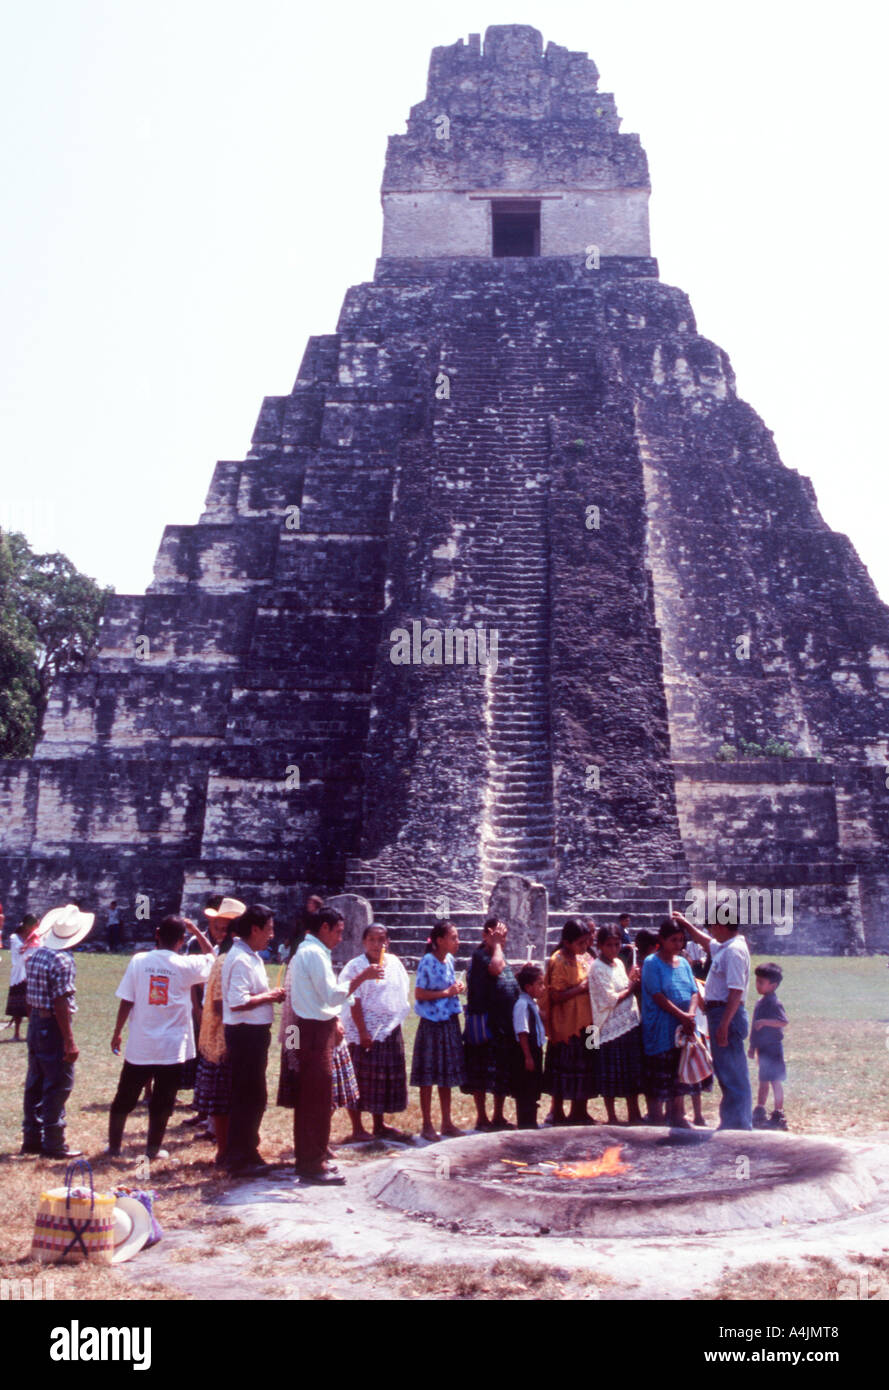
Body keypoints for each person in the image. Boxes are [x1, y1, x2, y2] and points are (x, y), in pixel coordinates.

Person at [107, 914, 215, 1159]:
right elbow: (214, 958)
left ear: (156, 933)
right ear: (181, 940)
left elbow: (127, 999)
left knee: (124, 1098)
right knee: (163, 1102)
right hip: (171, 1048)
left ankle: (114, 1146)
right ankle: (153, 1149)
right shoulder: (186, 965)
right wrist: (197, 930)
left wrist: (116, 1032)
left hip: (141, 1044)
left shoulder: (139, 961)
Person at [289, 907, 383, 1183]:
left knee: (315, 1098)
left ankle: (312, 1157)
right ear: (325, 928)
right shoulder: (313, 954)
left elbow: (329, 996)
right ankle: (311, 1163)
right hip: (314, 1031)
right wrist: (361, 978)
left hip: (318, 1028)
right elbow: (331, 996)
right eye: (338, 932)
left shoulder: (312, 952)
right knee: (316, 1100)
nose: (341, 938)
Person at [22, 904, 94, 1157]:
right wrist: (69, 1041)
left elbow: (31, 996)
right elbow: (61, 1002)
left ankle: (31, 1136)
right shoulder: (63, 960)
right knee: (59, 1083)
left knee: (36, 1081)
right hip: (52, 1026)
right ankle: (53, 1141)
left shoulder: (36, 954)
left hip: (36, 1024)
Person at [673, 907, 752, 1131]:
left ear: (720, 926)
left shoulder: (734, 951)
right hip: (720, 1013)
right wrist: (687, 925)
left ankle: (738, 1124)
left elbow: (735, 992)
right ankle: (734, 1121)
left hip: (727, 1013)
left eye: (712, 926)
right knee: (727, 1070)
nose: (710, 931)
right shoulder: (726, 947)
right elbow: (709, 943)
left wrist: (724, 1024)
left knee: (732, 1072)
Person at [221, 904, 286, 1176]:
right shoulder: (240, 958)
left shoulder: (251, 956)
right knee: (250, 1096)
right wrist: (270, 997)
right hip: (245, 1034)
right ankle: (240, 1155)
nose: (271, 935)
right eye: (268, 929)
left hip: (253, 1033)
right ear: (255, 929)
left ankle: (245, 1150)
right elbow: (237, 1001)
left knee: (251, 1096)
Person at [338, 924, 411, 1142]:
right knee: (360, 1078)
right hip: (362, 1030)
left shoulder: (394, 964)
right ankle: (357, 1128)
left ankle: (379, 1124)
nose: (376, 945)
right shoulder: (355, 967)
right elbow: (353, 1000)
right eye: (371, 940)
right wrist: (362, 1032)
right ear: (363, 942)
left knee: (383, 1078)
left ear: (387, 942)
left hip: (388, 1029)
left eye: (381, 940)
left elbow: (400, 991)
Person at [640, 919, 701, 1128]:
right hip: (660, 1028)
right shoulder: (651, 962)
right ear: (661, 940)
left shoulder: (683, 962)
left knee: (679, 1071)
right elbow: (657, 995)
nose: (678, 945)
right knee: (659, 1073)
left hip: (682, 1028)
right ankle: (656, 1117)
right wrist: (681, 1015)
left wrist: (690, 1015)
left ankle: (677, 1115)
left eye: (681, 940)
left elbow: (694, 990)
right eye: (673, 940)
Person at [410, 921, 467, 1141]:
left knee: (445, 1074)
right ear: (439, 940)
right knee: (428, 1075)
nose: (457, 942)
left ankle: (447, 1122)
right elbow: (419, 993)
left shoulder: (450, 960)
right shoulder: (427, 961)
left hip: (449, 1021)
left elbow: (449, 987)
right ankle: (426, 1125)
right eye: (453, 937)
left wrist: (456, 990)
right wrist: (447, 992)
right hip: (432, 1024)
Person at [462, 918, 520, 1131]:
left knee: (501, 1071)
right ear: (485, 935)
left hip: (503, 1022)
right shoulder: (480, 956)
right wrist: (496, 945)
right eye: (497, 935)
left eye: (504, 936)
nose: (501, 940)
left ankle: (498, 1115)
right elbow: (495, 969)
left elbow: (505, 975)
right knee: (481, 1071)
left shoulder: (500, 954)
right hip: (486, 1023)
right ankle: (482, 1117)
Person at [543, 919, 597, 1125]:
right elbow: (556, 995)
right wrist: (581, 988)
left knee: (586, 1065)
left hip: (589, 1022)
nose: (585, 947)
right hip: (566, 1024)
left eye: (586, 942)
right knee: (563, 1065)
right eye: (580, 943)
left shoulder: (586, 957)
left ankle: (580, 1110)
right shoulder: (558, 960)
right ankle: (556, 1111)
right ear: (567, 942)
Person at [589, 926, 644, 1125]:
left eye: (617, 944)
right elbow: (609, 999)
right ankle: (611, 1116)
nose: (613, 949)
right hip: (607, 1027)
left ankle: (634, 1112)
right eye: (609, 945)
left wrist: (631, 980)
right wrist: (632, 987)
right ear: (600, 946)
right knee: (611, 1074)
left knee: (631, 1072)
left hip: (628, 1023)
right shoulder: (596, 967)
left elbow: (624, 986)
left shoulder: (619, 963)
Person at [749, 962, 788, 1130]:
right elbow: (754, 1026)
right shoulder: (761, 1001)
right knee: (763, 1080)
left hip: (773, 1048)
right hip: (762, 1048)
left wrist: (765, 1022)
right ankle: (760, 1110)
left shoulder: (774, 1002)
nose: (758, 985)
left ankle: (779, 1114)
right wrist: (752, 1046)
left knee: (775, 1081)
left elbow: (783, 1021)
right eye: (757, 981)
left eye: (761, 982)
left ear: (773, 985)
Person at [511, 964, 546, 1129]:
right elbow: (522, 1032)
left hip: (536, 1051)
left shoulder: (532, 1003)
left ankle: (531, 1120)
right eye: (539, 984)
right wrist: (528, 1057)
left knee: (533, 1088)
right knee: (525, 1090)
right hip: (527, 1053)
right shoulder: (522, 1005)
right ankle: (525, 1123)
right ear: (528, 987)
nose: (542, 988)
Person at [4, 914, 41, 1039]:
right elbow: (21, 951)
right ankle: (16, 1034)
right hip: (19, 975)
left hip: (33, 975)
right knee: (17, 1007)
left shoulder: (37, 939)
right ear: (28, 926)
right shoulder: (15, 937)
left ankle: (32, 1034)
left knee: (33, 1006)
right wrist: (30, 940)